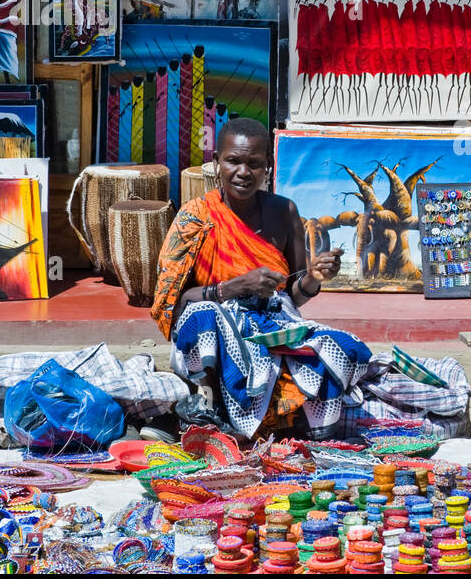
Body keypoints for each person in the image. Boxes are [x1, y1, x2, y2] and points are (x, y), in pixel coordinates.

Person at [152, 117, 370, 439]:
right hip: (213, 337)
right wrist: (236, 287)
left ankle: (295, 421)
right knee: (204, 315)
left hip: (273, 329)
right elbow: (176, 304)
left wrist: (313, 278)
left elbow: (293, 295)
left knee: (340, 346)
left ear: (267, 166)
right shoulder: (196, 218)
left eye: (254, 164)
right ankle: (207, 406)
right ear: (216, 163)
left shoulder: (285, 212)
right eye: (233, 161)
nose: (243, 172)